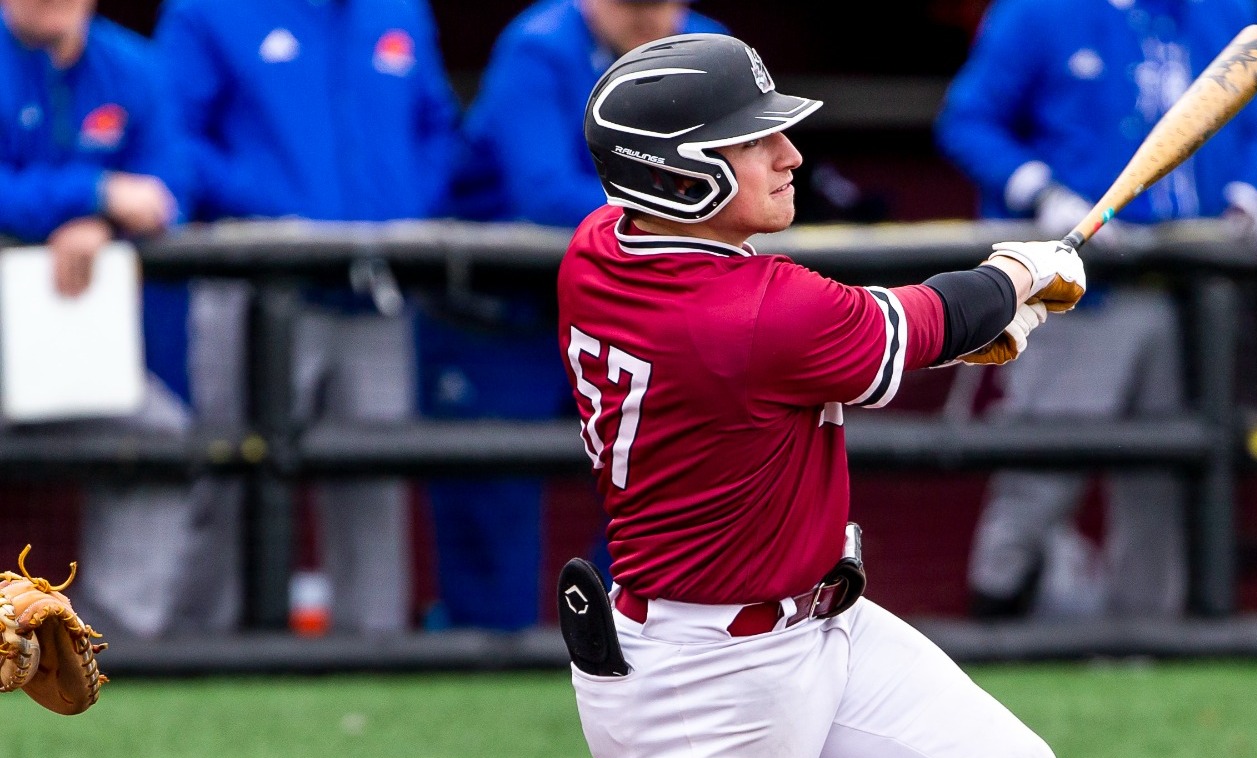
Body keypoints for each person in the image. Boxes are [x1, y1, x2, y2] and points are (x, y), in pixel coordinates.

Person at [298, 34, 1204, 758]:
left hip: (812, 623)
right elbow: (891, 332)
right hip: (714, 669)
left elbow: (876, 340)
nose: (787, 155)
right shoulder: (746, 318)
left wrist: (997, 306)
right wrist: (1016, 281)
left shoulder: (600, 248)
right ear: (678, 175)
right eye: (751, 140)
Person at [938, 0, 1257, 619]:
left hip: (1192, 294)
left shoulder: (1225, 10)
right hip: (1078, 294)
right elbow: (968, 121)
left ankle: (1145, 646)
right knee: (1042, 473)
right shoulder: (1038, 12)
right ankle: (990, 624)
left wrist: (1246, 191)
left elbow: (1254, 116)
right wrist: (1041, 192)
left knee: (1167, 486)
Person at [419, 0, 727, 631]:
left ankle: (627, 649)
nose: (650, 22)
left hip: (634, 313)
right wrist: (689, 207)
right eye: (631, 6)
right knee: (493, 532)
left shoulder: (707, 47)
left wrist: (698, 206)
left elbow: (742, 177)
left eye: (663, 5)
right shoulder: (540, 45)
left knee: (666, 490)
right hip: (501, 314)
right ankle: (489, 677)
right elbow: (544, 193)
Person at [155, 0, 461, 634]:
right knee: (231, 477)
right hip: (256, 287)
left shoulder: (399, 11)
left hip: (377, 291)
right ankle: (204, 655)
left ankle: (372, 661)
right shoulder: (205, 10)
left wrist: (402, 212)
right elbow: (172, 136)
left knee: (375, 488)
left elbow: (437, 128)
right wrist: (273, 212)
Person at [0, 0, 212, 638]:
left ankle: (113, 640)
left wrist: (101, 219)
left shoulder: (131, 64)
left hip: (75, 340)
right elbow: (118, 188)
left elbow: (172, 184)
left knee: (163, 442)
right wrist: (92, 194)